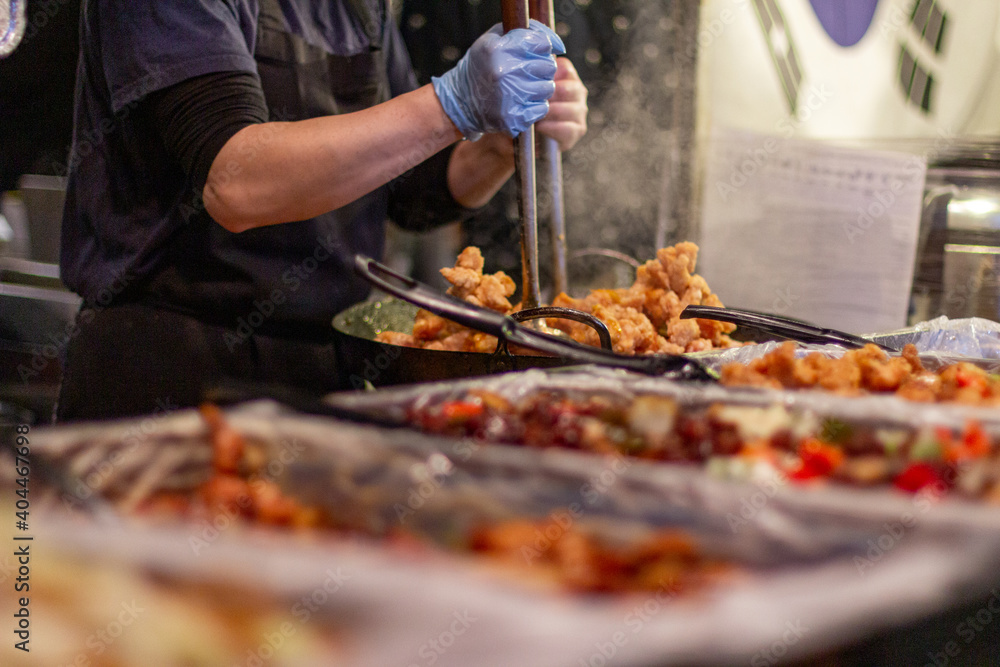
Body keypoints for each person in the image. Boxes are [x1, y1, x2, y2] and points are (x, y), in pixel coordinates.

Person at [55, 0, 588, 422]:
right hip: (173, 371)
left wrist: (497, 143)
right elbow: (239, 183)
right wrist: (451, 106)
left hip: (325, 374)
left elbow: (411, 193)